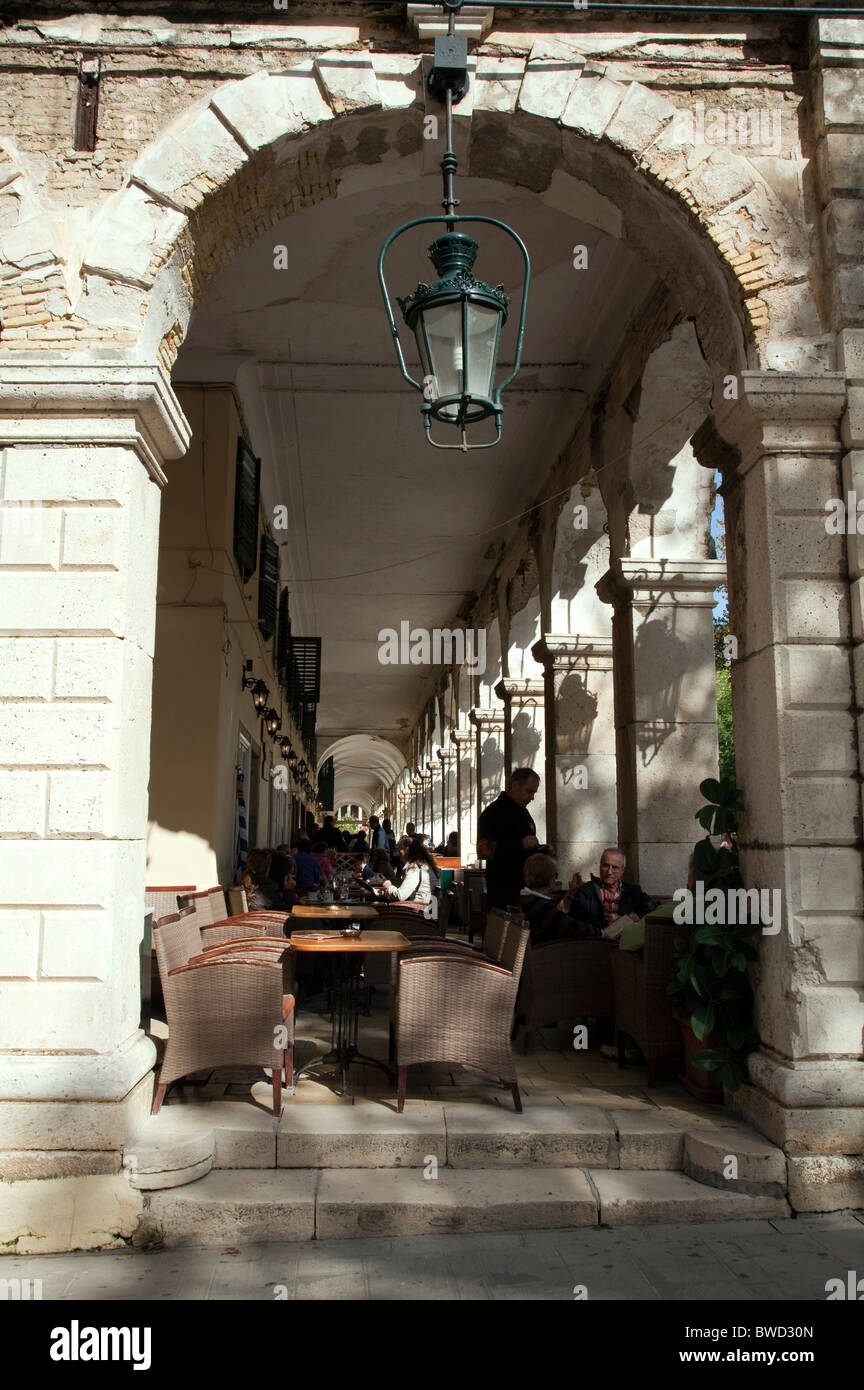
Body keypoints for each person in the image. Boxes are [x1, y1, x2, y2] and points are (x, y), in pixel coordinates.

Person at [477, 768, 540, 909]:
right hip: (503, 890)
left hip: (525, 888)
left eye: (534, 793)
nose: (532, 797)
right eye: (529, 791)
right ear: (516, 786)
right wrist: (520, 844)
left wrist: (541, 849)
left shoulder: (523, 812)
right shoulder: (492, 813)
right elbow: (484, 850)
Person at [568, 846, 656, 940]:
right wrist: (607, 923)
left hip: (626, 944)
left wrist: (636, 916)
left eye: (615, 867)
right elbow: (575, 920)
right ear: (600, 866)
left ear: (622, 871)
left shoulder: (634, 891)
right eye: (606, 866)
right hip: (594, 943)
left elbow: (652, 907)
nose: (609, 872)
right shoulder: (587, 891)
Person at [519, 853, 584, 943]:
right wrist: (602, 933)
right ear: (548, 878)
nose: (556, 879)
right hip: (547, 953)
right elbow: (572, 927)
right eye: (555, 875)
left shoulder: (529, 899)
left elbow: (555, 914)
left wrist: (570, 893)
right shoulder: (539, 905)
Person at [381, 838, 440, 905]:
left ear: (408, 849)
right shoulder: (424, 864)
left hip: (418, 910)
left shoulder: (415, 868)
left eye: (400, 849)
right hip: (426, 908)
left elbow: (400, 896)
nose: (399, 854)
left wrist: (389, 886)